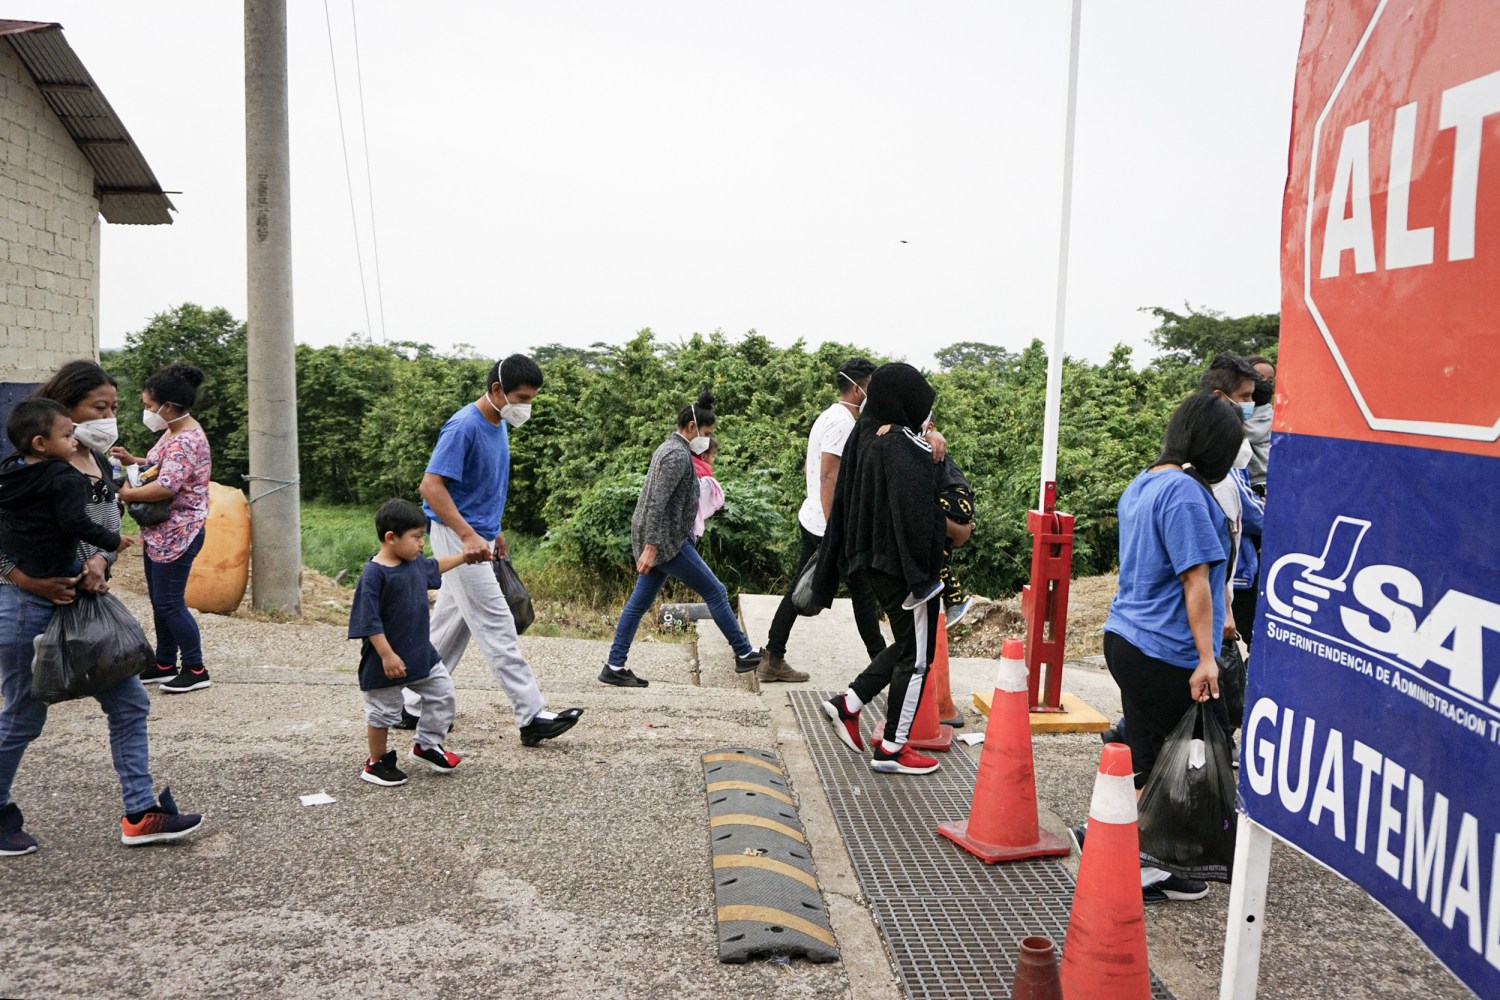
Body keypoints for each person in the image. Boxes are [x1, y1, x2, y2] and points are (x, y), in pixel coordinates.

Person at [0, 360, 203, 856]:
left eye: (113, 406)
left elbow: (108, 525)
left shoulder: (102, 463)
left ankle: (140, 813)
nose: (109, 416)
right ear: (62, 412)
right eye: (99, 407)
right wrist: (26, 579)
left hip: (86, 610)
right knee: (24, 716)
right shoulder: (25, 471)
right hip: (28, 606)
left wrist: (99, 558)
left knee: (130, 703)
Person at [1095, 391, 1241, 903]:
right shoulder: (1183, 492)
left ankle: (1144, 854)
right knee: (1187, 756)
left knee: (1153, 753)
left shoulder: (1144, 483)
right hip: (1165, 649)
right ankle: (1146, 867)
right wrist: (1207, 659)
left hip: (1127, 637)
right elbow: (1194, 581)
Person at [414, 354, 583, 746]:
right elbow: (431, 487)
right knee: (496, 624)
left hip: (479, 537)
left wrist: (494, 531)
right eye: (521, 397)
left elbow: (479, 488)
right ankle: (531, 714)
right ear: (496, 390)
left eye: (531, 399)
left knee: (446, 630)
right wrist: (470, 536)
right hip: (459, 539)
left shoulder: (498, 424)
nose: (526, 406)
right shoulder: (464, 427)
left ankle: (412, 703)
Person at [811, 363, 949, 776]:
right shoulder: (898, 445)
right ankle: (892, 747)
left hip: (869, 560)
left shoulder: (866, 436)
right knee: (919, 657)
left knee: (905, 645)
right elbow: (922, 504)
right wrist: (924, 576)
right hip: (902, 568)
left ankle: (849, 703)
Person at [601, 391, 763, 688]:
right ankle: (743, 652)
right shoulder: (676, 455)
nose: (707, 439)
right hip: (666, 542)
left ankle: (615, 664)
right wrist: (651, 547)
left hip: (664, 538)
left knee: (639, 603)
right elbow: (656, 503)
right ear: (691, 426)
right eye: (706, 433)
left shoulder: (669, 449)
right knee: (716, 590)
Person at [758, 358, 885, 685]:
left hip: (816, 517)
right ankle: (884, 667)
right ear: (859, 388)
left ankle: (773, 655)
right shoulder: (842, 422)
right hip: (828, 525)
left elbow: (809, 468)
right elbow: (828, 472)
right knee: (862, 594)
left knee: (807, 588)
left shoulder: (828, 416)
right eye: (871, 385)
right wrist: (834, 527)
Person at [350, 500, 477, 787]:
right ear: (391, 538)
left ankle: (427, 745)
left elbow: (435, 567)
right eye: (417, 537)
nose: (422, 543)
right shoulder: (374, 574)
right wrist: (386, 655)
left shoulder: (414, 563)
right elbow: (368, 621)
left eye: (423, 536)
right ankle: (376, 763)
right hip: (387, 661)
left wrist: (464, 556)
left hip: (421, 655)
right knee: (383, 712)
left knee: (443, 694)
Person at [113, 362, 214, 694]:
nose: (147, 412)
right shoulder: (173, 432)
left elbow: (165, 487)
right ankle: (165, 664)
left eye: (148, 406)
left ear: (167, 406)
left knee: (170, 602)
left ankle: (196, 668)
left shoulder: (186, 439)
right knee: (160, 600)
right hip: (161, 531)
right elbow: (162, 467)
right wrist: (135, 461)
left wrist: (126, 493)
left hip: (179, 532)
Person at [0, 400, 129, 579]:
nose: (74, 441)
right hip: (55, 566)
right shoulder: (66, 478)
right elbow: (76, 522)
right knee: (84, 585)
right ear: (40, 443)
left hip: (19, 563)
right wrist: (113, 541)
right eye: (67, 436)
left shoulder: (11, 471)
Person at [1243, 356, 1275, 498]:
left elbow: (1243, 434)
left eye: (1270, 381)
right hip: (1243, 481)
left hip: (1263, 482)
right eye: (1259, 378)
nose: (1265, 384)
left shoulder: (1269, 414)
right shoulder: (1239, 408)